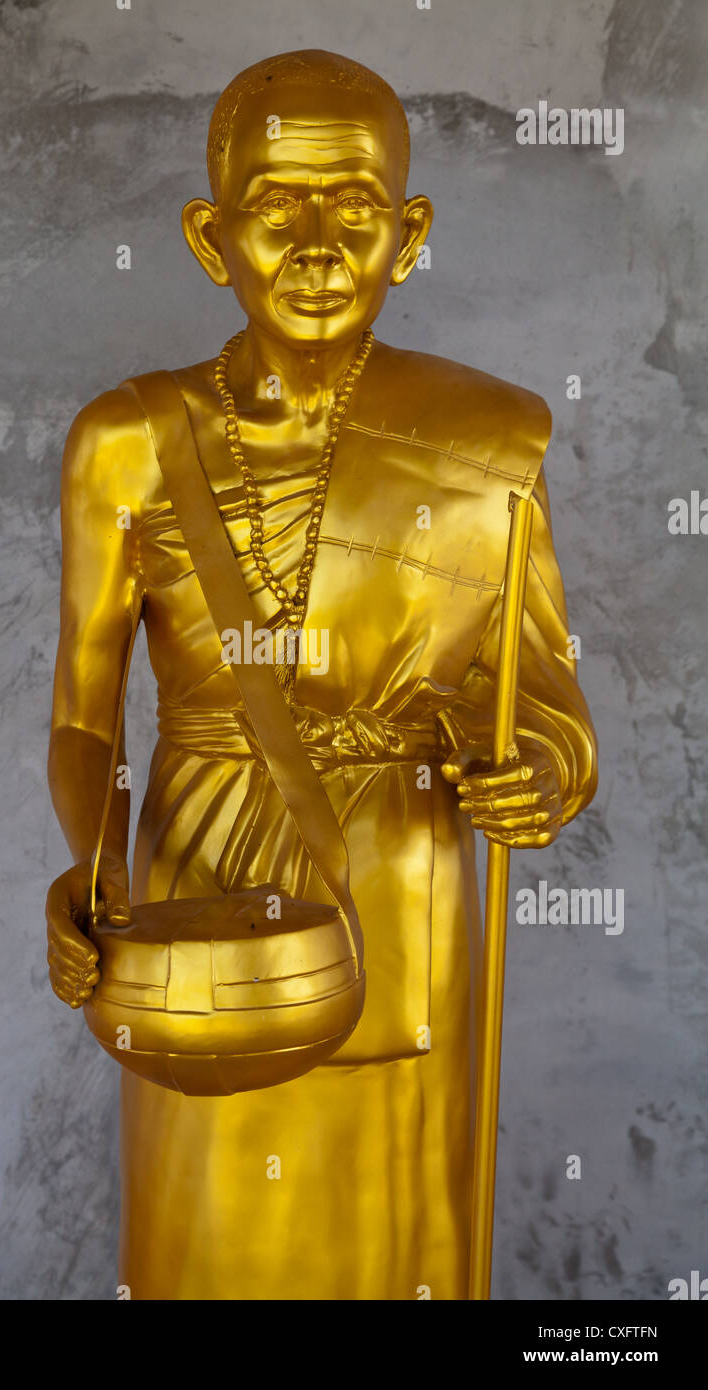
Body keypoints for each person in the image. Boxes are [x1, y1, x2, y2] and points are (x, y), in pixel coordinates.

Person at [45, 49, 598, 1300]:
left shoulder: (485, 438)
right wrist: (96, 870)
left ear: (406, 236)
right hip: (191, 894)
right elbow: (85, 716)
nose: (311, 242)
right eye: (271, 204)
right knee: (205, 1236)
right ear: (208, 235)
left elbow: (546, 691)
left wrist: (539, 772)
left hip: (398, 881)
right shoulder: (123, 440)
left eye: (351, 205)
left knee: (394, 1239)